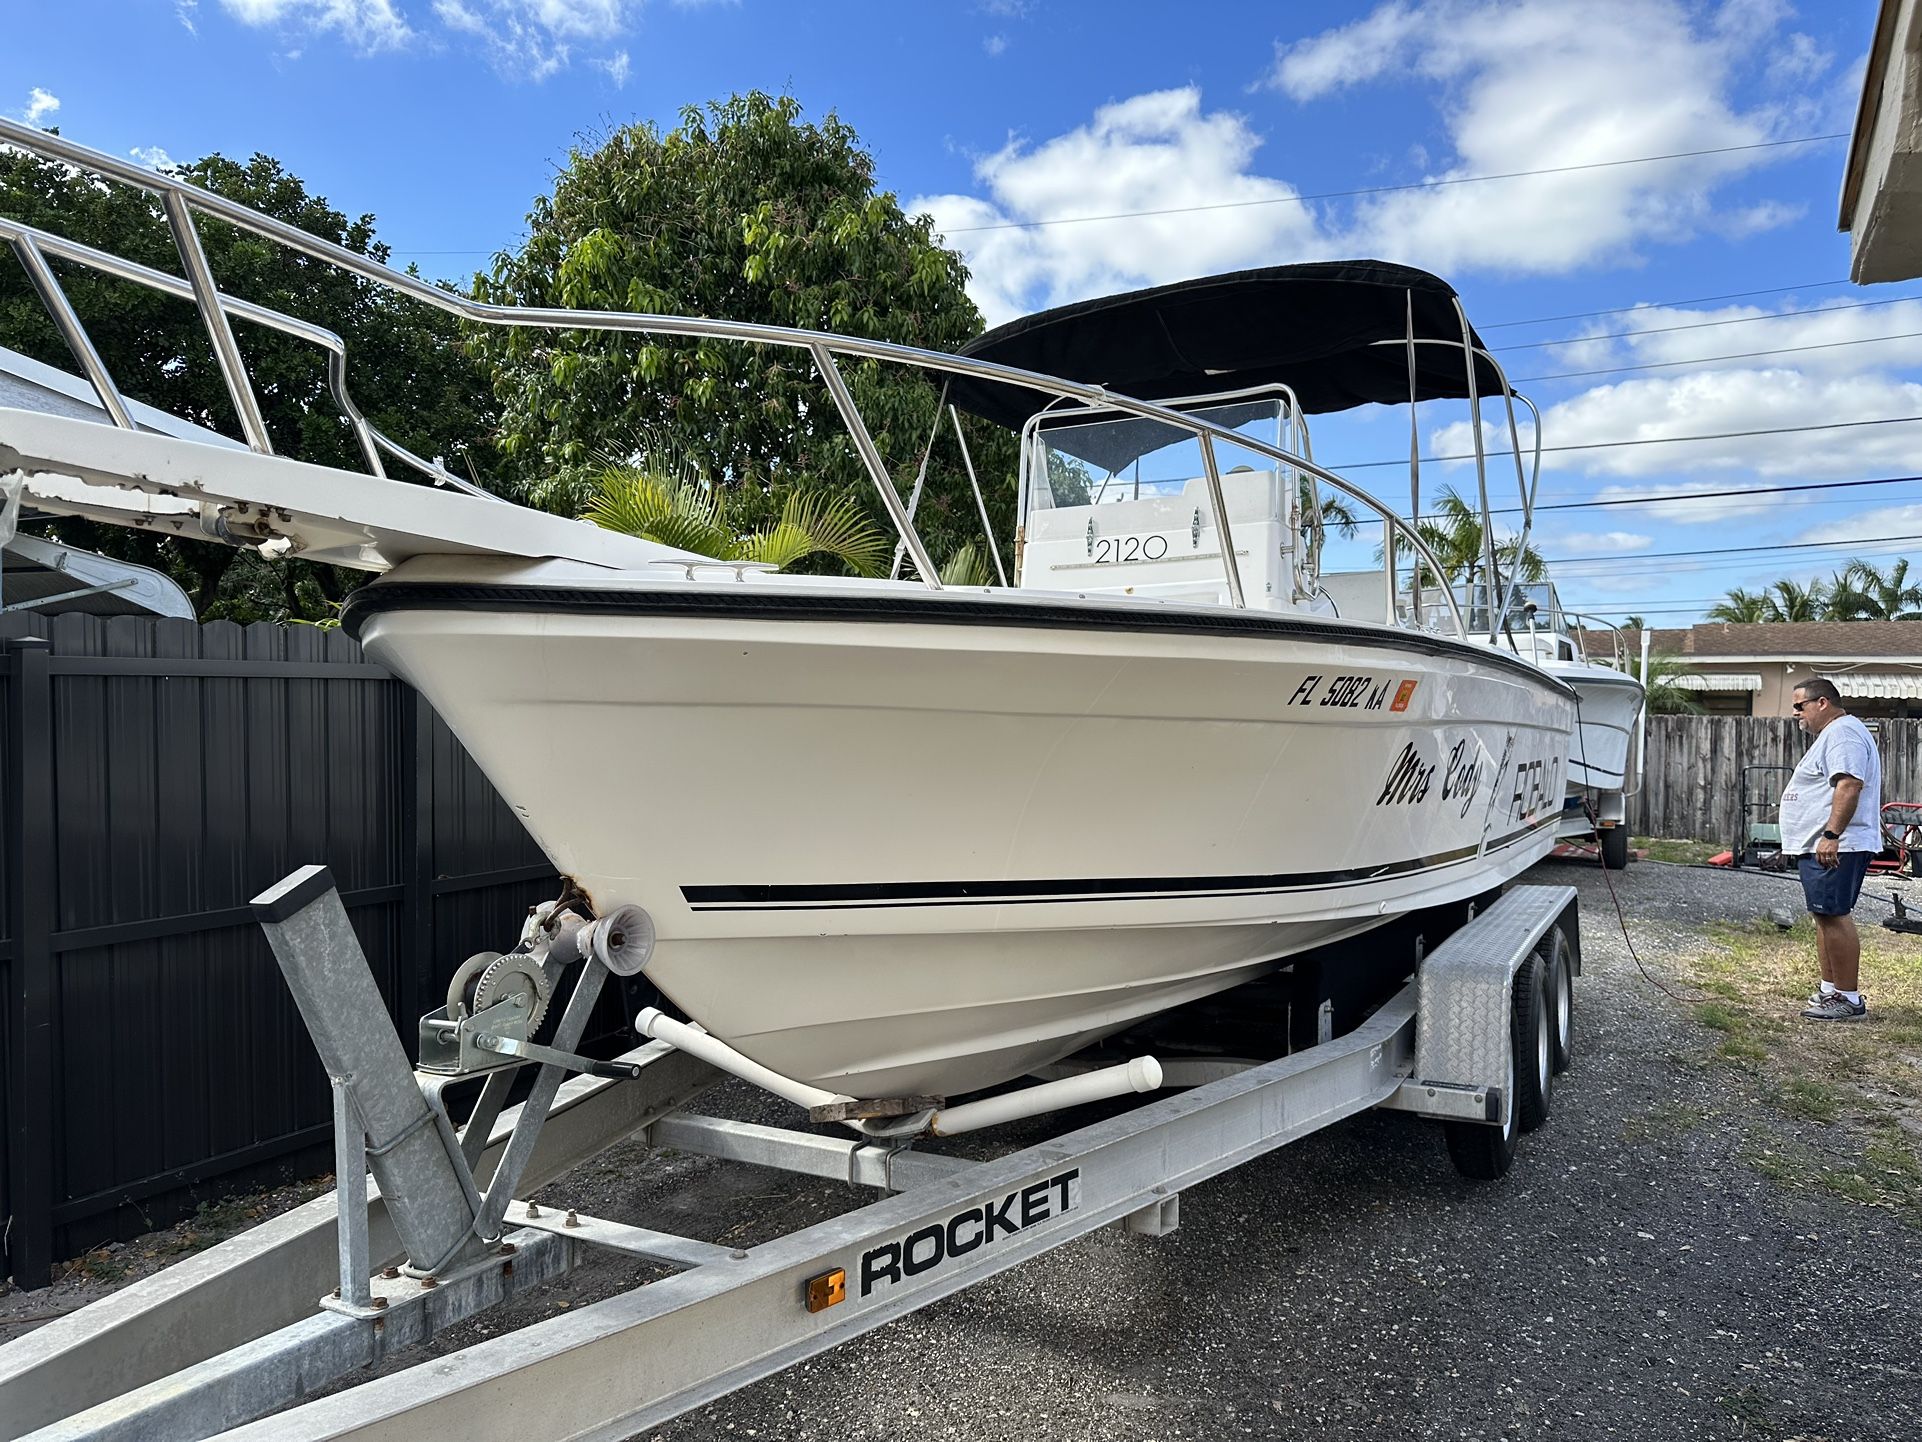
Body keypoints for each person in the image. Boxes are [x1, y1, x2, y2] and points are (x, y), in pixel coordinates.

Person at [1779, 677, 1882, 1020]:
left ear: (1822, 703)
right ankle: (1830, 990)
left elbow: (1849, 784)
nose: (1796, 713)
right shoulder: (1834, 734)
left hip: (1837, 844)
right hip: (1823, 844)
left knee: (1834, 915)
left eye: (1800, 706)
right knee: (1823, 915)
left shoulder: (1842, 733)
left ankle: (1849, 999)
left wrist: (1832, 834)